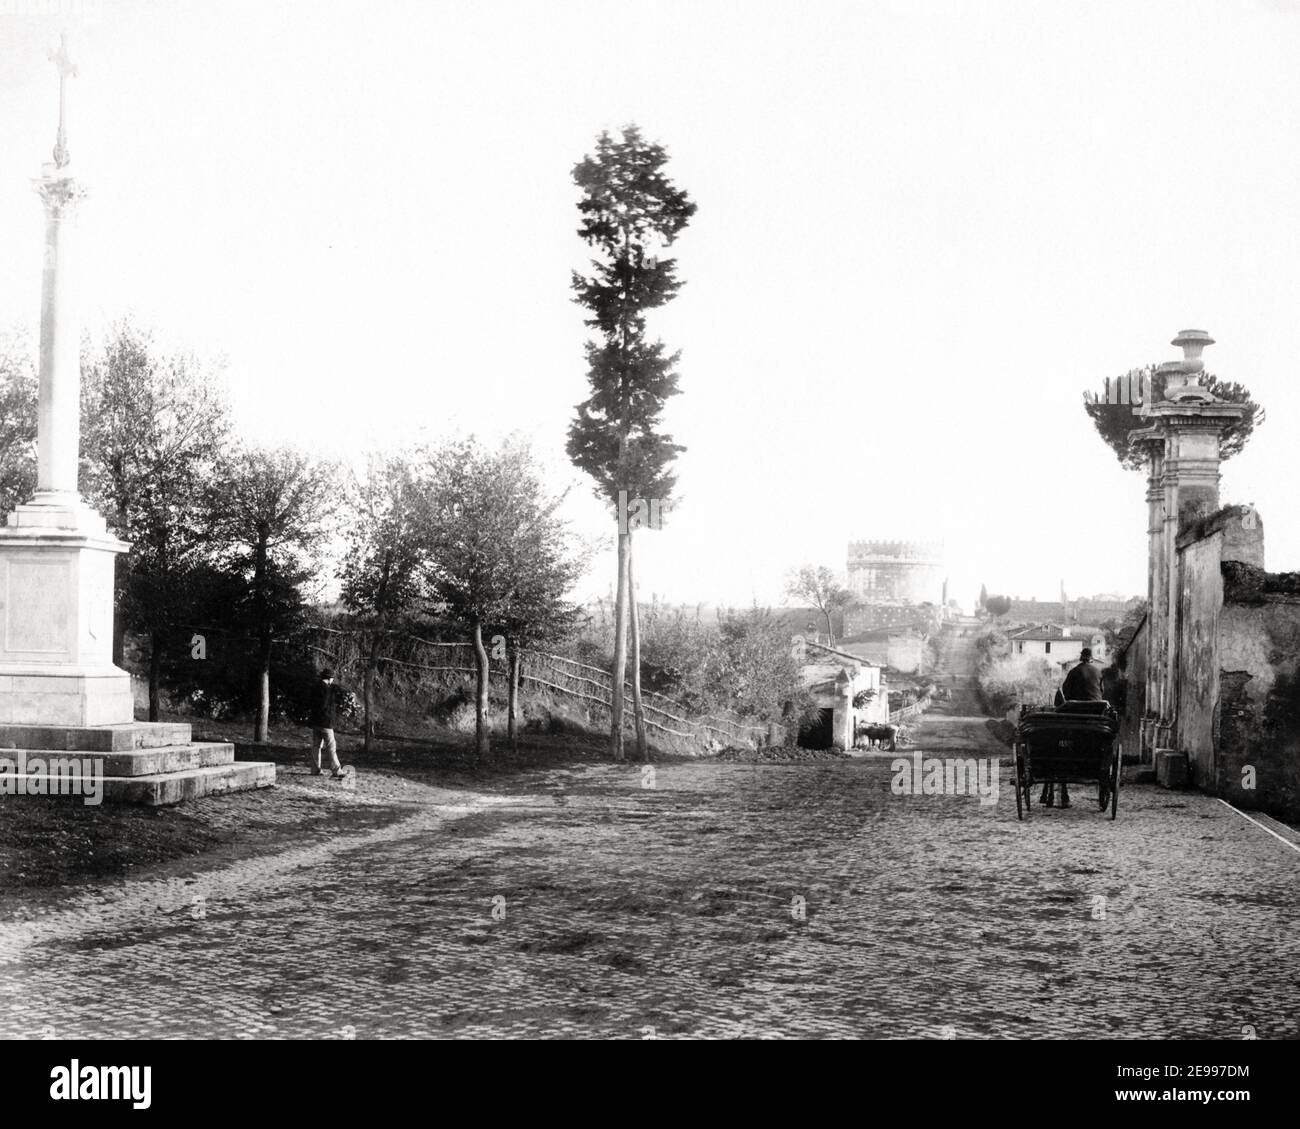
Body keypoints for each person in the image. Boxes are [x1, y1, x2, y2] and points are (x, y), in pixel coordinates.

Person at [1041, 647, 1105, 809]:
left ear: (1080, 658)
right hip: (1095, 714)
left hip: (1075, 712)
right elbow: (1101, 693)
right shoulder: (1098, 672)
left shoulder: (1074, 672)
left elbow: (1066, 694)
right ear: (1091, 659)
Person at [308, 667, 348, 779]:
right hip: (325, 722)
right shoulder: (327, 690)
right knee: (331, 747)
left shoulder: (315, 687)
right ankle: (337, 770)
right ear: (330, 678)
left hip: (315, 722)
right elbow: (325, 706)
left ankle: (315, 769)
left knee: (316, 746)